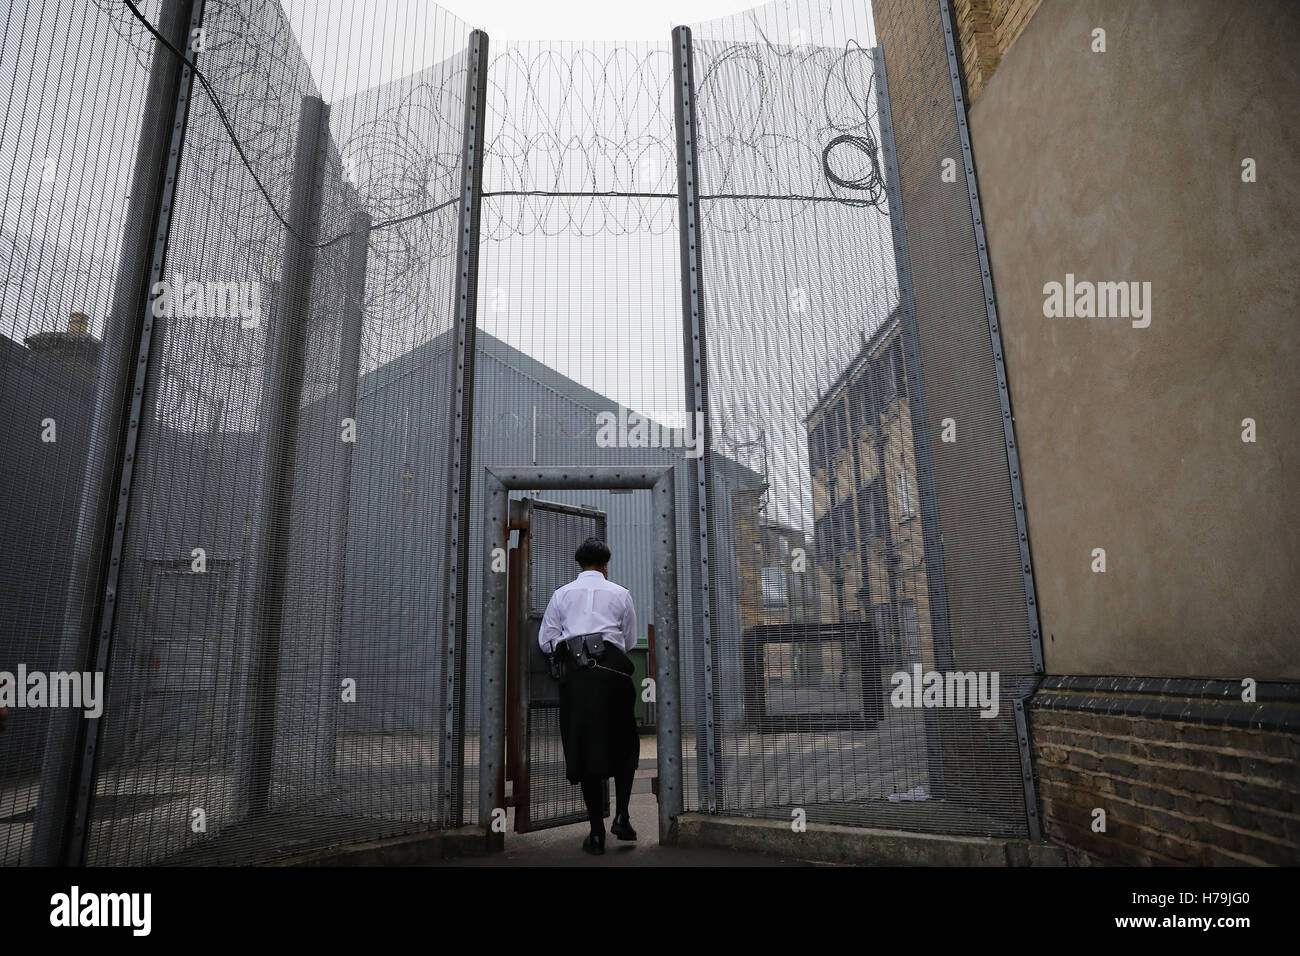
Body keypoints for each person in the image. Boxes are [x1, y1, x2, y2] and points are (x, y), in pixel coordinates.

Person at [538, 536, 639, 855]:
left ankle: (596, 834)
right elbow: (630, 641)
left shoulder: (561, 595)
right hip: (615, 675)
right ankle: (622, 815)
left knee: (585, 748)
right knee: (624, 743)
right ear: (606, 565)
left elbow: (546, 640)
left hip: (580, 678)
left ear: (578, 564)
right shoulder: (621, 593)